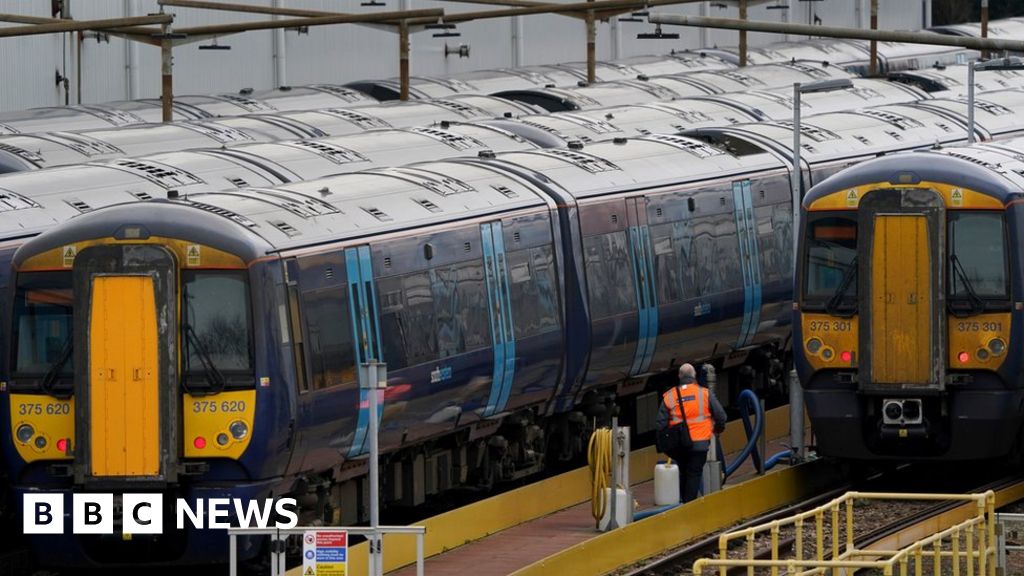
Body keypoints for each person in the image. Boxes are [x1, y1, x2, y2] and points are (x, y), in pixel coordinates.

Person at [656, 363, 727, 503]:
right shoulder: (705, 393)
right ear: (694, 376)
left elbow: (660, 424)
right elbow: (721, 416)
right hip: (700, 444)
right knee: (694, 473)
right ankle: (690, 504)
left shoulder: (669, 396)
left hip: (679, 446)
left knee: (683, 472)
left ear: (679, 377)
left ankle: (684, 502)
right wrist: (717, 430)